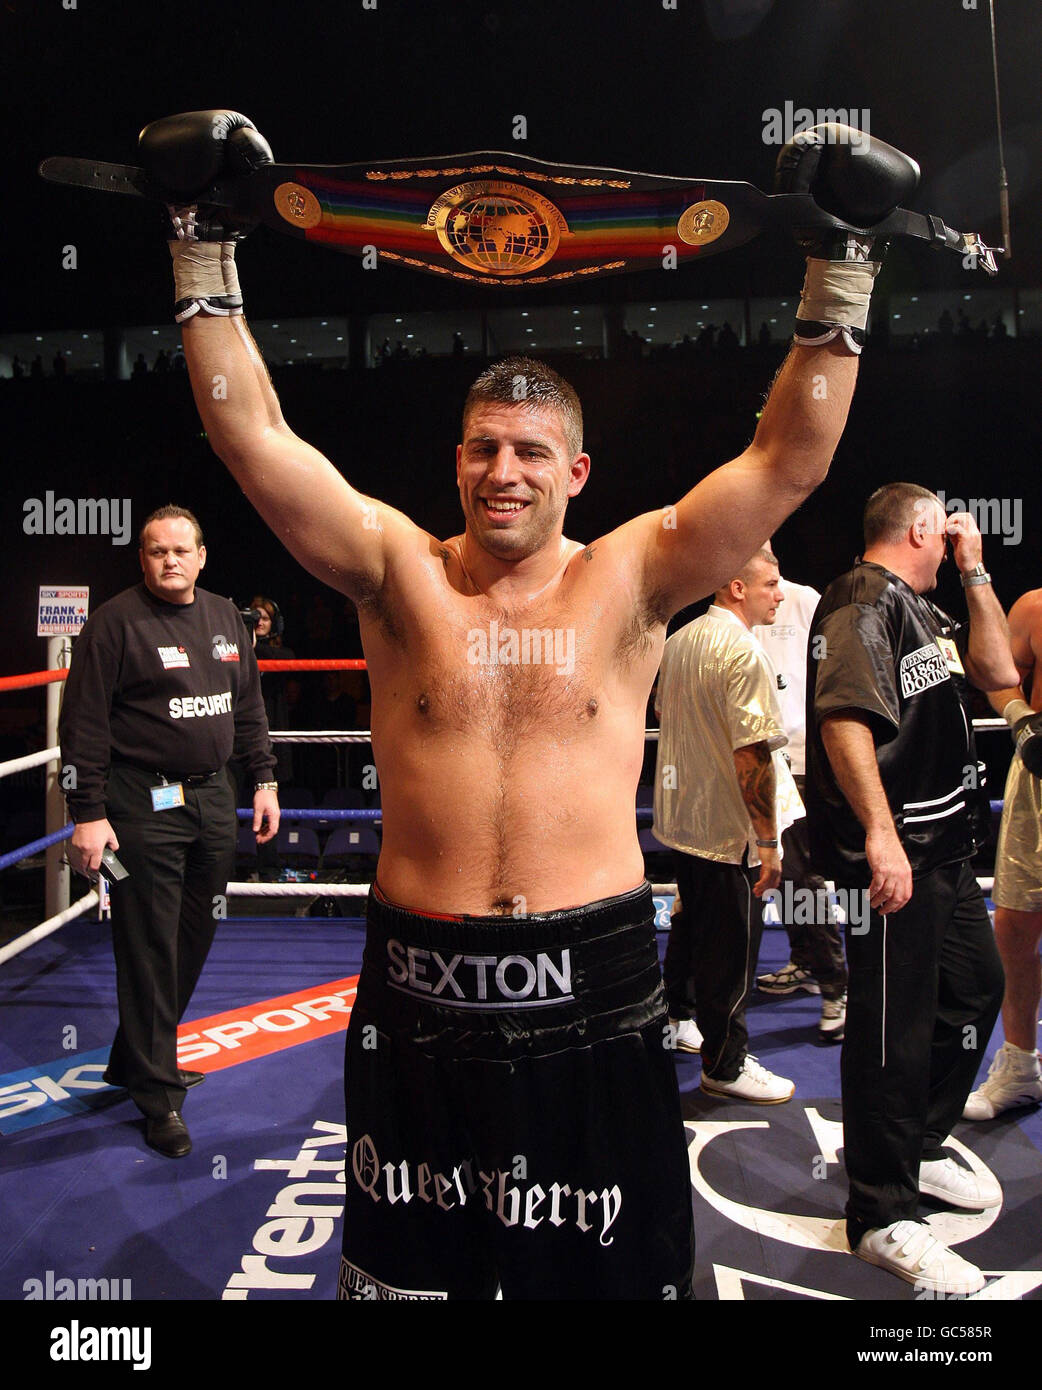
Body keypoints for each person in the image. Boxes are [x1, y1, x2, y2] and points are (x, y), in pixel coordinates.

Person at [144, 108, 893, 1300]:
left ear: (576, 472)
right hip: (416, 981)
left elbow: (785, 463)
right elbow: (252, 436)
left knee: (603, 1279)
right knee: (411, 1281)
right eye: (485, 447)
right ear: (456, 460)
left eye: (533, 452)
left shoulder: (634, 575)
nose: (505, 471)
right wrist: (202, 243)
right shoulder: (397, 573)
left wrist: (840, 262)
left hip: (591, 978)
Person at [806, 483, 1018, 1295]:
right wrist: (881, 835)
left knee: (975, 990)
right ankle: (881, 1211)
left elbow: (997, 671)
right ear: (921, 527)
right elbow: (843, 718)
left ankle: (916, 1147)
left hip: (947, 852)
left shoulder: (921, 607)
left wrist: (973, 572)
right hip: (899, 856)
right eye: (947, 531)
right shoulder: (861, 596)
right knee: (893, 1030)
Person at [59, 506, 280, 1158]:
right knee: (147, 942)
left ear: (202, 555)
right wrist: (85, 813)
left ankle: (136, 1059)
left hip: (213, 797)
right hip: (137, 803)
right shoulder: (112, 627)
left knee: (193, 933)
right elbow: (82, 728)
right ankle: (158, 1096)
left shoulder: (225, 620)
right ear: (143, 558)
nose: (170, 561)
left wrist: (264, 779)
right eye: (157, 551)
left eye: (181, 549)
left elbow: (248, 709)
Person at [653, 548, 801, 1101]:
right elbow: (752, 755)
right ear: (735, 587)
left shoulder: (679, 640)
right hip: (728, 829)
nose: (779, 593)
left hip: (684, 819)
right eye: (771, 582)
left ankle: (678, 1017)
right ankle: (726, 1064)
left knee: (693, 927)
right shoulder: (743, 653)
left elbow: (669, 720)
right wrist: (767, 841)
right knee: (733, 949)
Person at [754, 568, 848, 1041]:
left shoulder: (804, 598)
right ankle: (806, 963)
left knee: (801, 876)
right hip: (755, 757)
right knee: (781, 874)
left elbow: (833, 669)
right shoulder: (733, 604)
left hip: (800, 759)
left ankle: (837, 986)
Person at [964, 586, 1042, 1120]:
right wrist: (1020, 717)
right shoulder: (1034, 606)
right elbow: (996, 673)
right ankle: (1020, 1064)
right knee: (1013, 924)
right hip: (1040, 777)